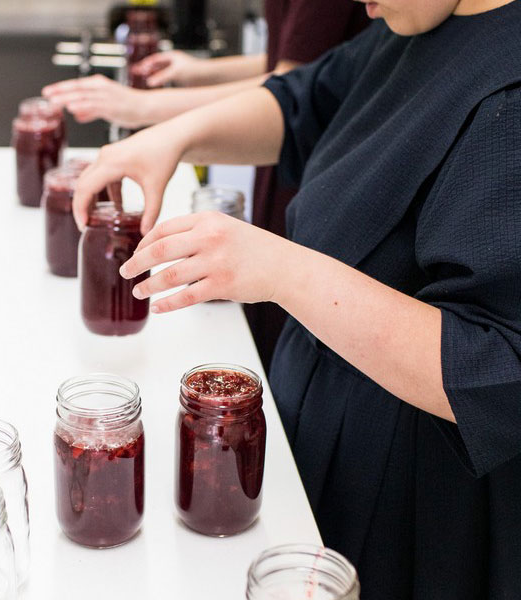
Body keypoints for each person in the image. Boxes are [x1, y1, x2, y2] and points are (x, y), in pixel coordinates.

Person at [71, 0, 521, 597]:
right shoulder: (415, 24)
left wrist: (281, 271)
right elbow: (302, 101)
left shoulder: (507, 99)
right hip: (310, 442)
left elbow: (494, 367)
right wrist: (174, 137)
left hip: (410, 513)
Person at [43, 1, 370, 370]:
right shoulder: (385, 42)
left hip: (316, 180)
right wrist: (196, 82)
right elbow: (306, 75)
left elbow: (301, 84)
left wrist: (147, 108)